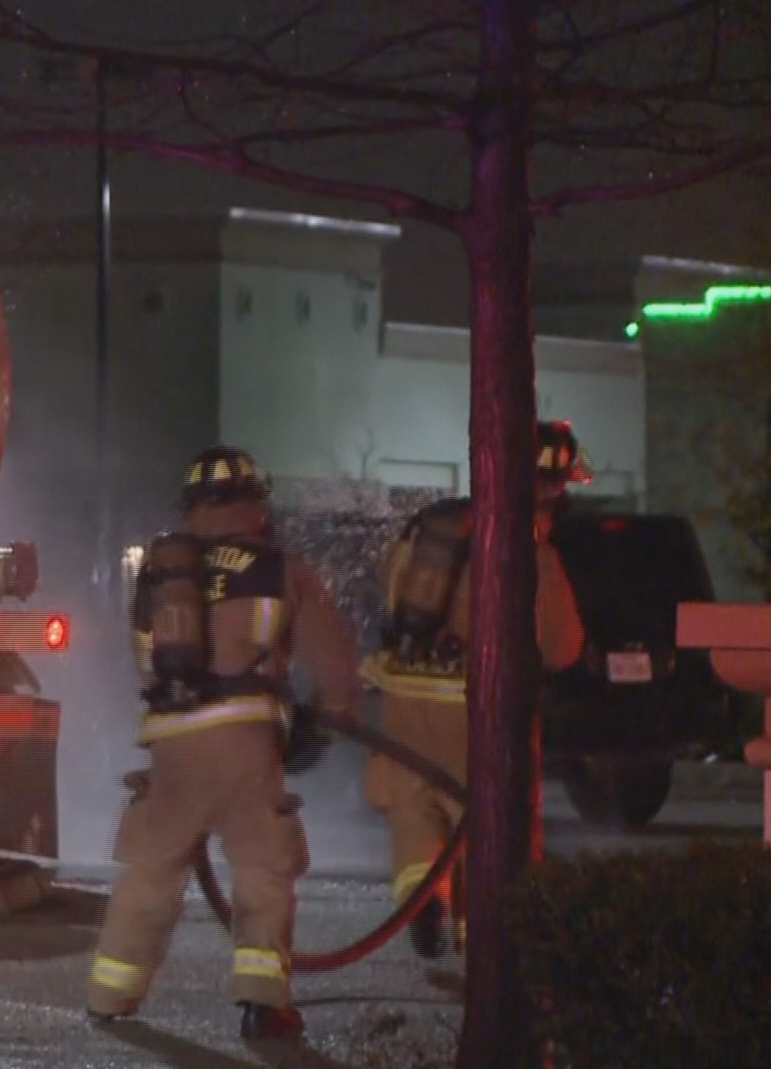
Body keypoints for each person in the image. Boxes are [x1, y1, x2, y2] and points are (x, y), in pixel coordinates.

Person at [89, 446, 364, 1042]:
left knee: (149, 873)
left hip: (170, 744)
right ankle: (263, 1004)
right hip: (242, 742)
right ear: (253, 502)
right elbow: (331, 655)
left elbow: (143, 667)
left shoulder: (162, 573)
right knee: (263, 869)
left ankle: (109, 994)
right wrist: (334, 712)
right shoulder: (276, 566)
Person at [361, 420, 589, 957]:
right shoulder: (529, 551)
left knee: (413, 811)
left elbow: (385, 595)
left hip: (403, 701)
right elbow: (561, 646)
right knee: (482, 823)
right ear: (554, 487)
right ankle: (478, 947)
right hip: (473, 712)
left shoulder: (430, 529)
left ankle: (425, 900)